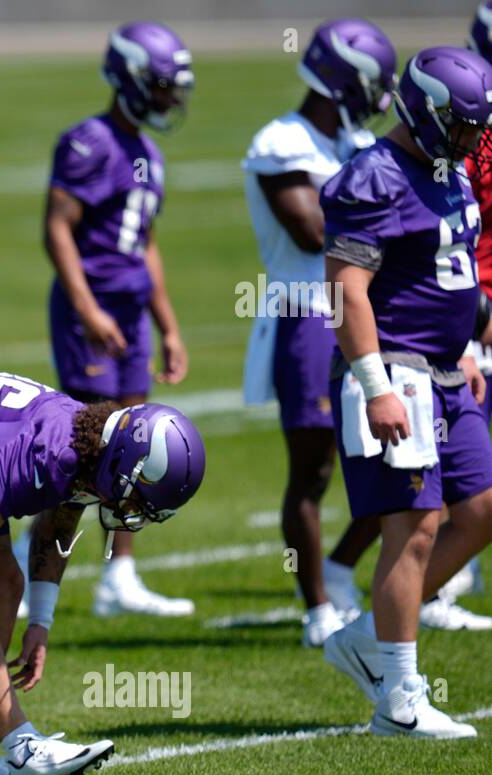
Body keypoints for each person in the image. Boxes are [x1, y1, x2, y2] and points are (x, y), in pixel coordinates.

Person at [0, 370, 203, 775]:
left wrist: (41, 623)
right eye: (138, 498)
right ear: (124, 464)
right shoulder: (50, 452)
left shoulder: (93, 451)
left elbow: (59, 521)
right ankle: (22, 745)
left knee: (7, 581)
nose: (135, 511)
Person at [320, 47, 492, 738]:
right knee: (413, 526)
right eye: (460, 124)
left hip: (450, 368)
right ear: (420, 108)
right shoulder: (373, 176)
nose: (471, 138)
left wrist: (473, 345)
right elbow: (345, 290)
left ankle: (368, 633)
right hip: (393, 370)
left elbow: (453, 273)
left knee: (479, 510)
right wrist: (374, 385)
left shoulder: (448, 168)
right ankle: (398, 694)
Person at [240, 19, 394, 647]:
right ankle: (317, 607)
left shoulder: (355, 139)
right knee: (314, 468)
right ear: (342, 81)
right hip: (306, 310)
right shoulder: (282, 141)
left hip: (366, 306)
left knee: (399, 457)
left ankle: (340, 568)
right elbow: (314, 232)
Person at [44, 21, 196, 618]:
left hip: (131, 311)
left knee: (137, 441)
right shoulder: (89, 141)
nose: (167, 99)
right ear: (128, 79)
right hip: (93, 311)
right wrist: (87, 308)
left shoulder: (148, 153)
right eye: (159, 86)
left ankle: (119, 576)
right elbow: (58, 227)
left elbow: (145, 243)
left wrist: (169, 324)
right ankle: (42, 582)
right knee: (82, 450)